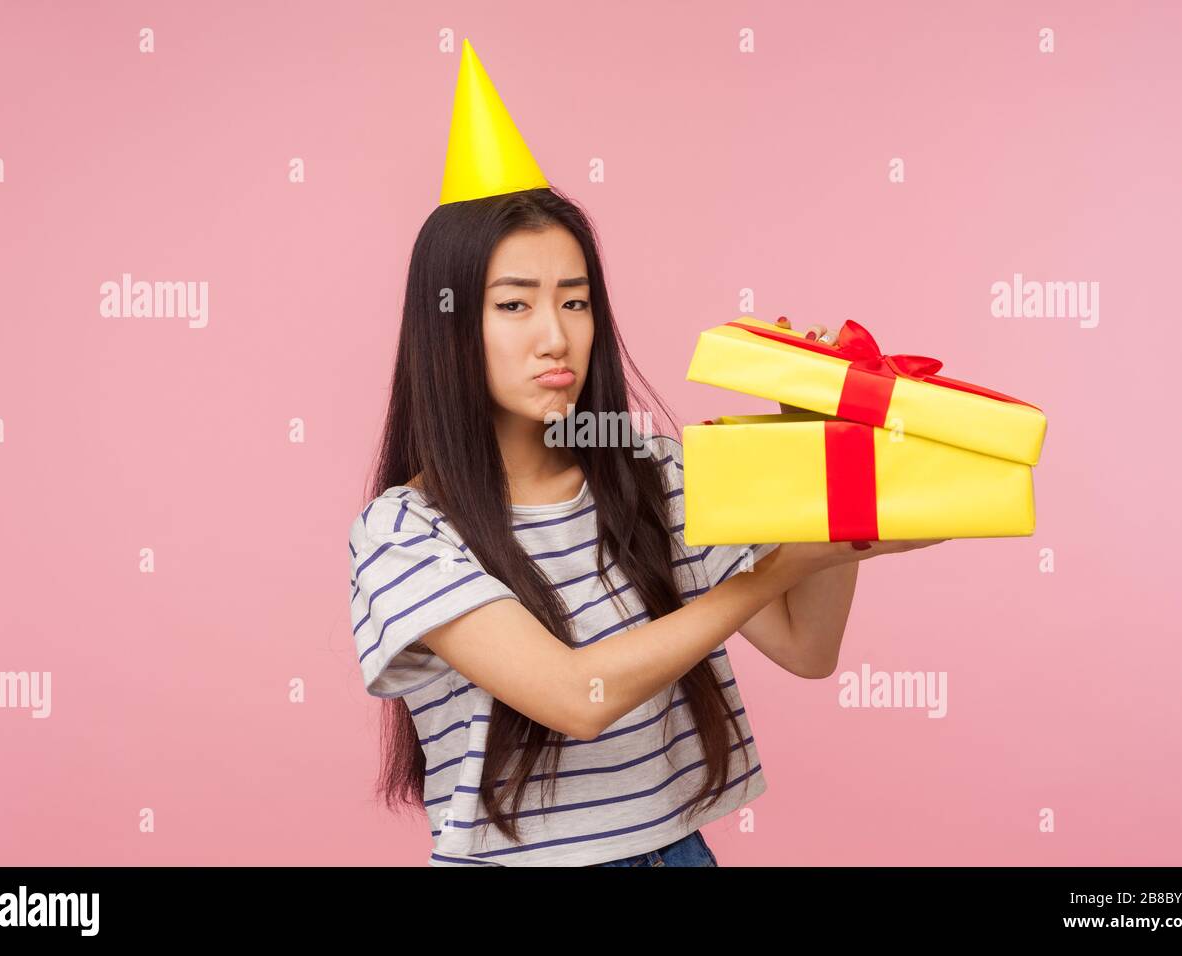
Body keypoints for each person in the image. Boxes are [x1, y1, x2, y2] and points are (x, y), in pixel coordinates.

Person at [347, 39, 943, 867]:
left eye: (576, 300)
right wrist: (769, 572)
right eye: (514, 305)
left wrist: (822, 446)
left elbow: (808, 650)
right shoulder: (405, 532)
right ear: (448, 327)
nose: (557, 336)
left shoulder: (654, 476)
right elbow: (573, 697)